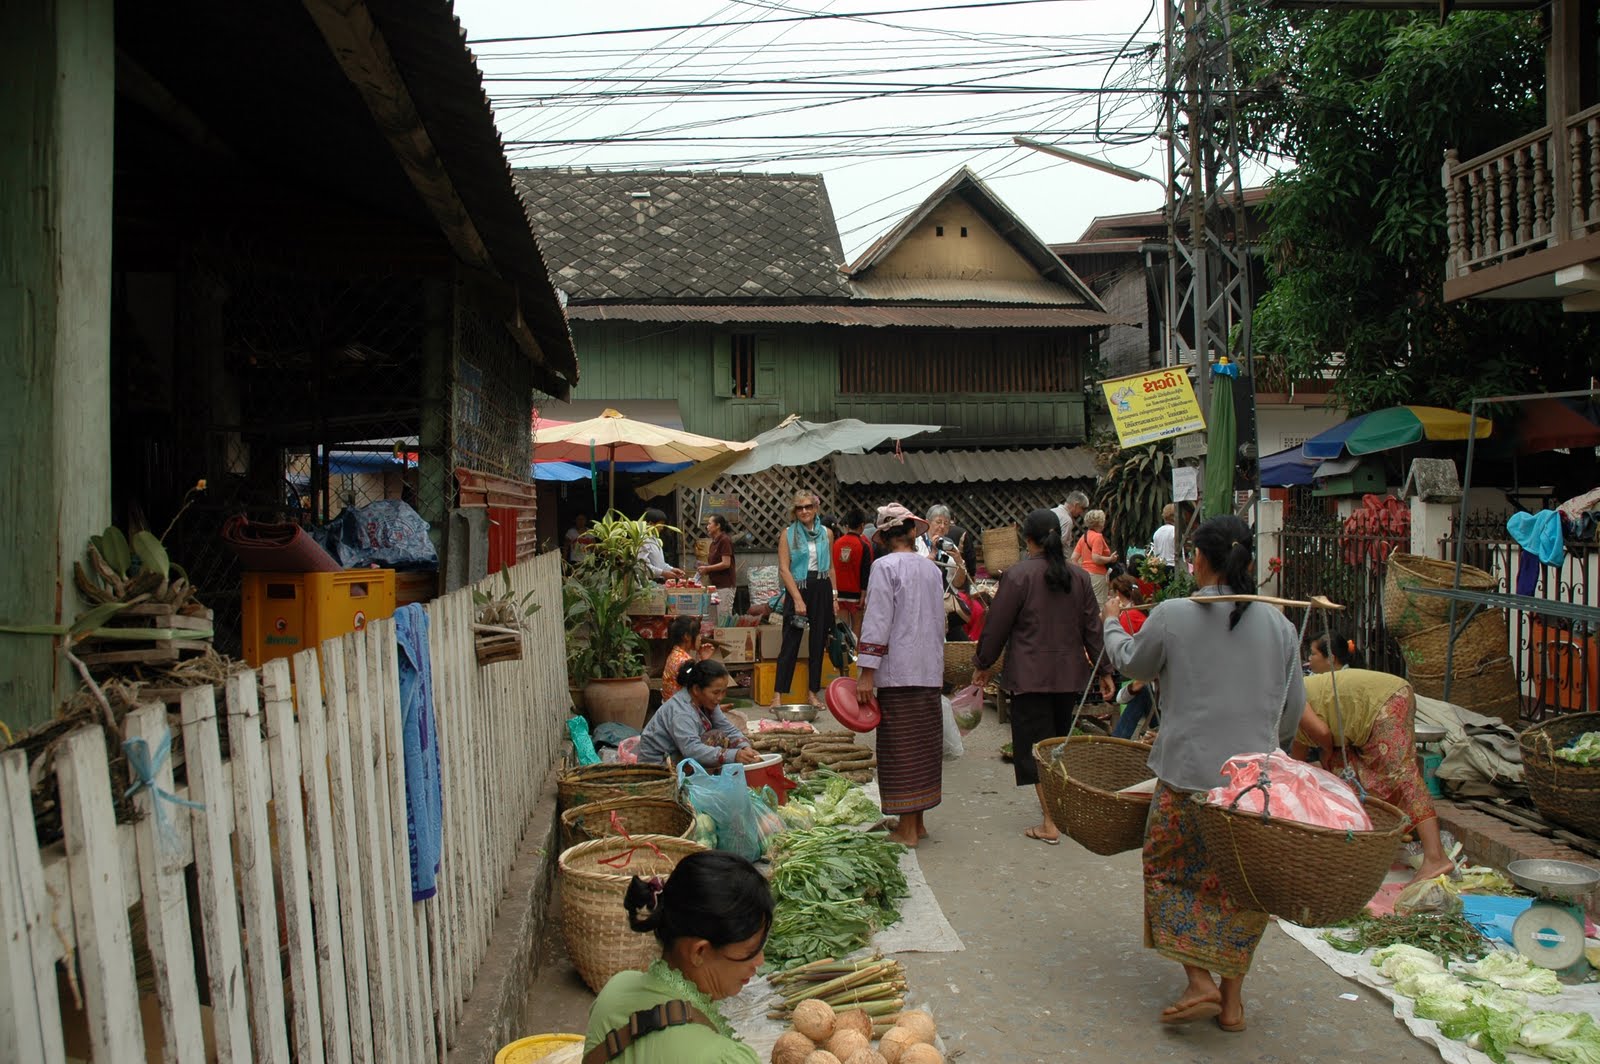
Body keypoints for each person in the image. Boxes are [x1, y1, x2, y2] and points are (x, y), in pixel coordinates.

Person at [1101, 514, 1304, 1034]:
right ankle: (1231, 1003)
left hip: (1186, 778)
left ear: (1199, 559)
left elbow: (1133, 666)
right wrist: (1268, 755)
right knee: (1241, 887)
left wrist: (1110, 622)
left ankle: (1199, 980)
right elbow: (1290, 713)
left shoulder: (1173, 614)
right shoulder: (1280, 625)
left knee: (1169, 872)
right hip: (1252, 786)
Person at [973, 509, 1114, 845]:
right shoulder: (1078, 577)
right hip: (1068, 676)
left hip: (1030, 676)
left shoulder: (1018, 576)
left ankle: (1051, 822)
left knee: (1035, 749)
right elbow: (1092, 628)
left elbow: (997, 625)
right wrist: (1104, 669)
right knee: (1057, 745)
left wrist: (983, 662)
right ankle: (1058, 812)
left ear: (1027, 539)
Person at [1295, 634, 1454, 885]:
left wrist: (1324, 752)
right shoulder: (1287, 708)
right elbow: (1297, 765)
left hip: (1387, 699)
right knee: (1344, 776)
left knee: (1402, 775)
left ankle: (1436, 856)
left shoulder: (1289, 695)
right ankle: (1370, 845)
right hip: (1366, 717)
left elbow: (1322, 733)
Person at [585, 851, 772, 1062]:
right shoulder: (723, 1058)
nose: (760, 961)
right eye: (750, 951)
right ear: (699, 952)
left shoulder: (615, 990)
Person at [856, 503, 947, 847]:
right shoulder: (931, 569)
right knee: (923, 748)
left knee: (901, 749)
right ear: (911, 531)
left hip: (899, 673)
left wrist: (866, 673)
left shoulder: (884, 567)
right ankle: (917, 823)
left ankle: (907, 830)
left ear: (883, 538)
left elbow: (877, 621)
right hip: (928, 669)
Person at [772, 491, 834, 710]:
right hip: (798, 586)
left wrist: (834, 596)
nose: (804, 511)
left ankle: (812, 694)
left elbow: (831, 567)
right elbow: (784, 569)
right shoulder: (787, 534)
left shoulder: (827, 533)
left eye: (808, 506)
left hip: (822, 586)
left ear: (815, 508)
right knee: (790, 641)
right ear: (794, 511)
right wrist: (798, 599)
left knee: (818, 643)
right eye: (800, 508)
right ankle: (778, 695)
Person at [637, 657, 759, 767]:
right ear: (696, 689)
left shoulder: (708, 702)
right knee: (717, 745)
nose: (720, 698)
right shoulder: (681, 712)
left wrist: (745, 747)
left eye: (723, 692)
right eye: (716, 692)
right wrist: (733, 755)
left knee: (720, 735)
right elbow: (691, 749)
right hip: (658, 763)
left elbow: (727, 727)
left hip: (677, 753)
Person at [1105, 568, 1155, 740]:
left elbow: (1122, 654)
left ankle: (1118, 742)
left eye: (1111, 593)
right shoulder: (1134, 612)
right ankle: (1118, 741)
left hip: (1135, 671)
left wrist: (1109, 620)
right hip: (1144, 679)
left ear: (1118, 594)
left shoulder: (1130, 616)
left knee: (1138, 692)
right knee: (1141, 694)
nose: (1109, 597)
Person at [831, 508, 875, 640]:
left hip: (839, 592)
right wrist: (864, 594)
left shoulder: (836, 543)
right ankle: (855, 650)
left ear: (847, 524)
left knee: (843, 627)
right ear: (862, 525)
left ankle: (844, 650)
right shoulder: (864, 545)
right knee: (857, 626)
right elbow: (865, 572)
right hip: (856, 593)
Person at [1072, 509, 1118, 604]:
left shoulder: (1084, 536)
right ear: (1100, 523)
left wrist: (1081, 571)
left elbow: (1074, 558)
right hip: (1097, 574)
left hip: (1085, 575)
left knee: (1086, 602)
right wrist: (1110, 559)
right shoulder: (1097, 537)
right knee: (1099, 603)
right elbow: (1096, 558)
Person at [660, 615, 709, 703]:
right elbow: (701, 685)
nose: (700, 638)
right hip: (680, 707)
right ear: (687, 636)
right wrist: (705, 660)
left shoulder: (674, 653)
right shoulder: (684, 661)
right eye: (698, 634)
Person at [696, 515, 736, 623]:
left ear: (718, 525)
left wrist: (708, 568)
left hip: (724, 586)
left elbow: (726, 563)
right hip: (714, 587)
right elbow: (715, 563)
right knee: (714, 618)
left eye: (709, 524)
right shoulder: (714, 542)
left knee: (723, 617)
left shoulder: (724, 540)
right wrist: (705, 567)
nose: (707, 526)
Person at [640, 509, 684, 581]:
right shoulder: (643, 541)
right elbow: (643, 566)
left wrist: (672, 569)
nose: (662, 528)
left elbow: (660, 564)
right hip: (648, 582)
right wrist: (663, 573)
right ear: (650, 524)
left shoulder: (656, 540)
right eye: (661, 524)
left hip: (658, 582)